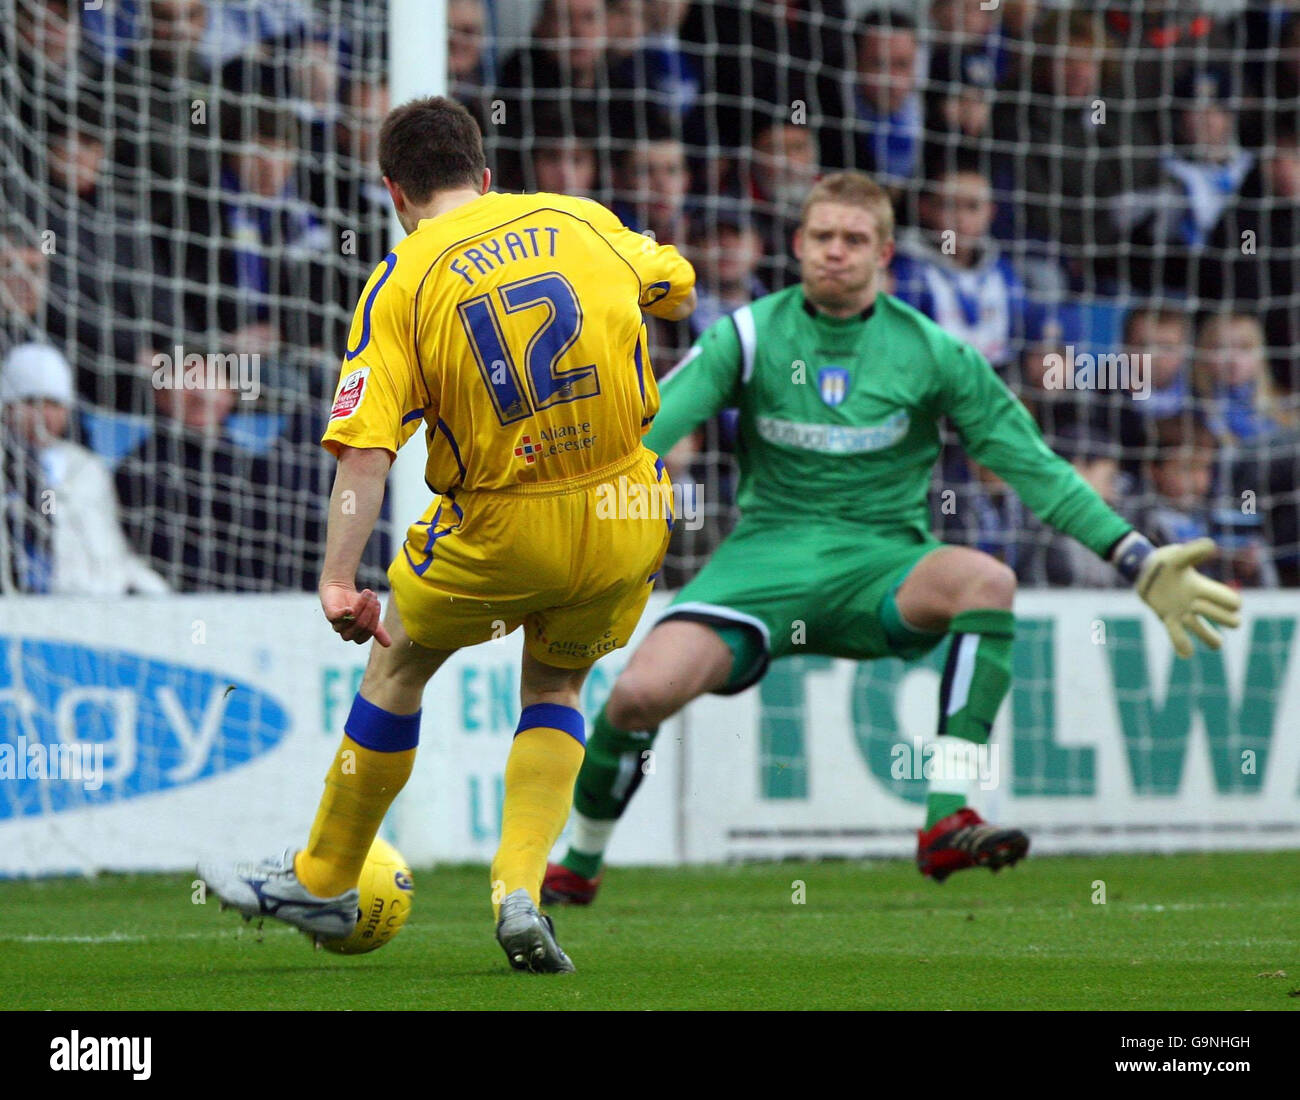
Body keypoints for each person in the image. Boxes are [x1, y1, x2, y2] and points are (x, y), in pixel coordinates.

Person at [542, 172, 1241, 905]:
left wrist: (1133, 555)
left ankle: (946, 816)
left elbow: (1030, 464)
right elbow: (646, 438)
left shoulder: (934, 351)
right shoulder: (747, 336)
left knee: (987, 581)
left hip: (883, 565)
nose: (834, 253)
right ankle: (578, 864)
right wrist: (567, 520)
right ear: (797, 244)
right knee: (634, 696)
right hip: (763, 561)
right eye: (821, 238)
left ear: (885, 258)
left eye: (853, 240)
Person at [199, 96, 696, 973]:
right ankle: (519, 892)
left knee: (399, 665)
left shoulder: (401, 280)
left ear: (394, 191)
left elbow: (365, 453)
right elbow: (678, 283)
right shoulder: (577, 220)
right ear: (487, 175)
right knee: (557, 682)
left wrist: (337, 581)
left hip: (503, 521)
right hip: (626, 508)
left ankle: (322, 876)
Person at [0, 344, 168, 595]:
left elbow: (114, 545)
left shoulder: (88, 467)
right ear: (7, 407)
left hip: (103, 601)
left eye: (54, 404)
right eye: (30, 402)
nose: (43, 415)